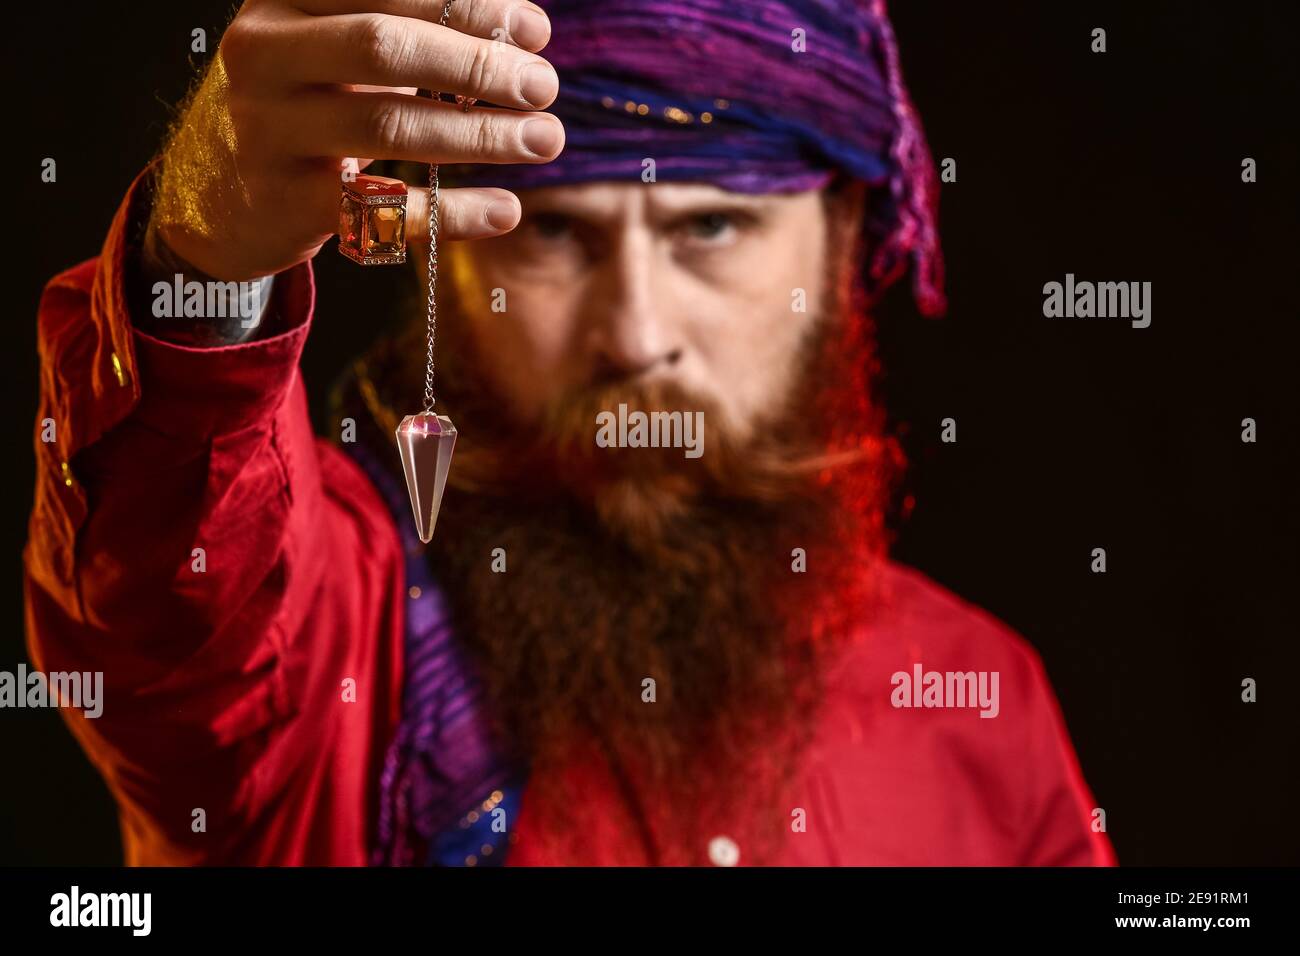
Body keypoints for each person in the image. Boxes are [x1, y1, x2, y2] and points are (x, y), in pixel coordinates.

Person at [23, 0, 1115, 866]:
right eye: (551, 231)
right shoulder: (330, 640)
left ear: (841, 237)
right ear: (433, 249)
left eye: (712, 226)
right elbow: (173, 607)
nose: (635, 334)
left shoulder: (980, 696)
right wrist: (205, 265)